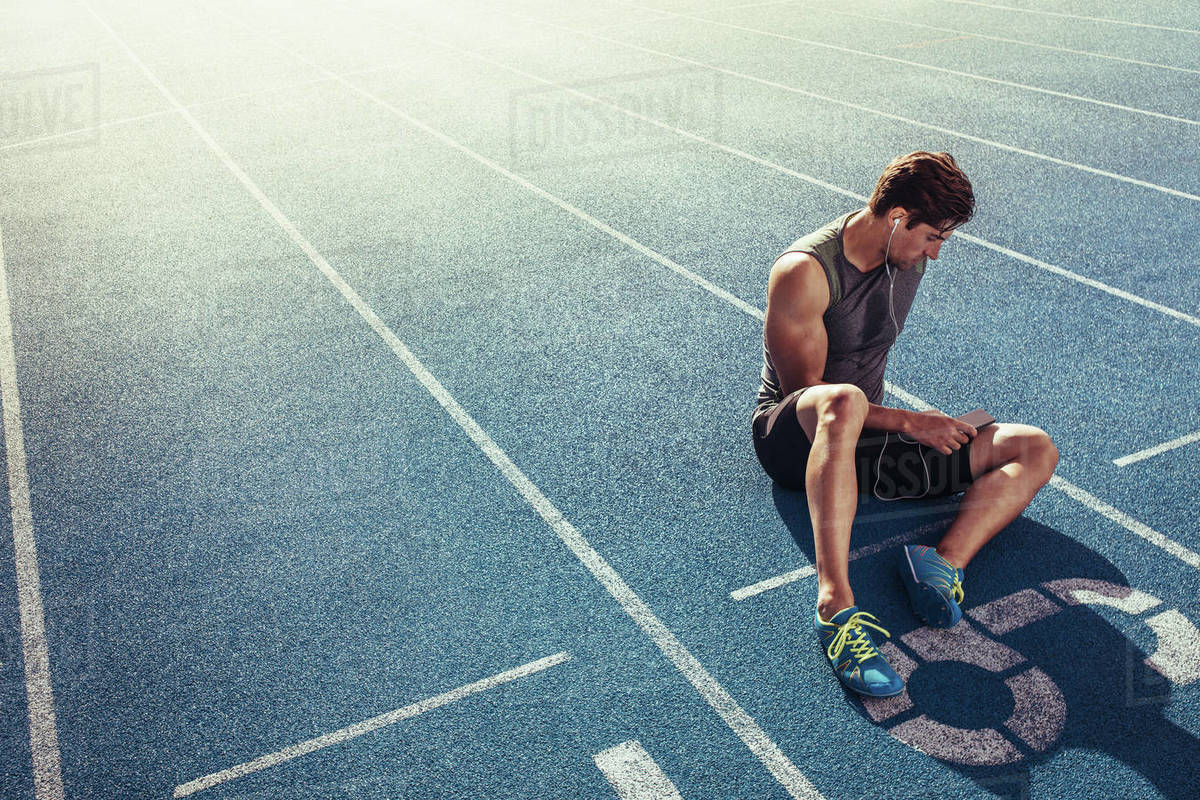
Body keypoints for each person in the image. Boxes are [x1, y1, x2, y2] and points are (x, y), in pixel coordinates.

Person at [752, 151, 1059, 697]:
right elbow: (812, 395)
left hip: (872, 435)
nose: (936, 254)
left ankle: (940, 564)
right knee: (843, 401)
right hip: (795, 439)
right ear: (897, 218)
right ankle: (835, 608)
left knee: (1033, 447)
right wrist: (914, 424)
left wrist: (915, 428)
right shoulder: (806, 272)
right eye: (932, 237)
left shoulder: (905, 256)